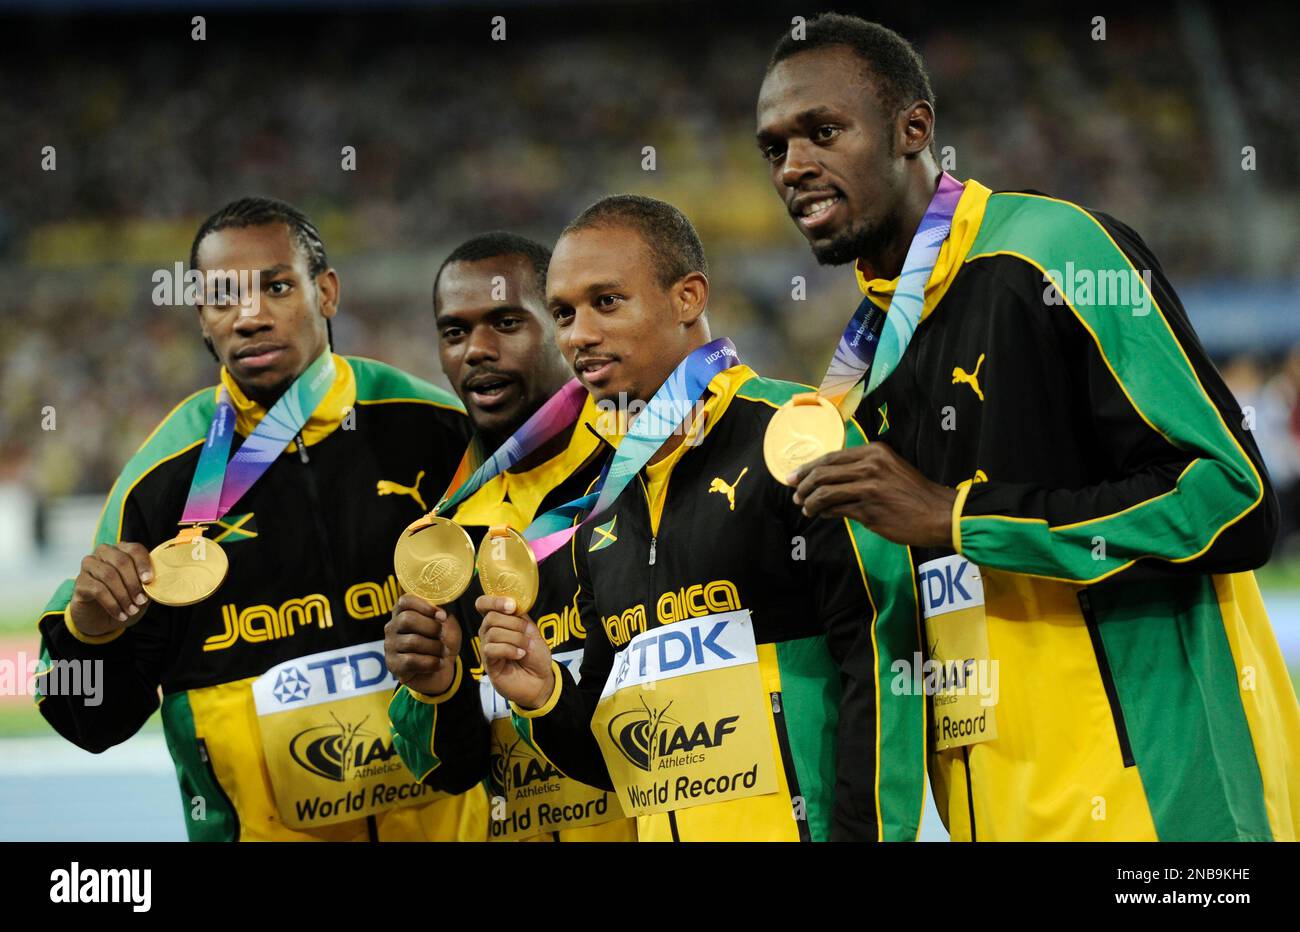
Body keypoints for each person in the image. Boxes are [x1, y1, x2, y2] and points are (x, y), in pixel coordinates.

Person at [756, 13, 1300, 841]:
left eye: (823, 132)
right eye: (774, 149)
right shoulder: (859, 367)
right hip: (997, 816)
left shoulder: (1052, 255)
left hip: (1157, 810)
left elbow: (1231, 499)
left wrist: (956, 517)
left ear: (914, 129)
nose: (795, 166)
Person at [34, 197, 486, 841]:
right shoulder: (161, 481)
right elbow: (92, 722)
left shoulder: (436, 430)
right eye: (222, 298)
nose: (249, 317)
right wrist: (91, 634)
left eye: (276, 287)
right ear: (201, 318)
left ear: (325, 292)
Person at [479, 195, 925, 842]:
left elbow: (884, 662)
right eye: (563, 313)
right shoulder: (605, 509)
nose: (577, 334)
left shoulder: (794, 439)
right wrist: (546, 694)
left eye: (607, 302)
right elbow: (626, 764)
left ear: (687, 298)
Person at [384, 231, 635, 841]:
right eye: (454, 332)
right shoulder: (444, 530)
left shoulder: (642, 466)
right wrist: (436, 690)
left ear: (561, 328)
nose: (477, 350)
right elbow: (449, 769)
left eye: (505, 322)